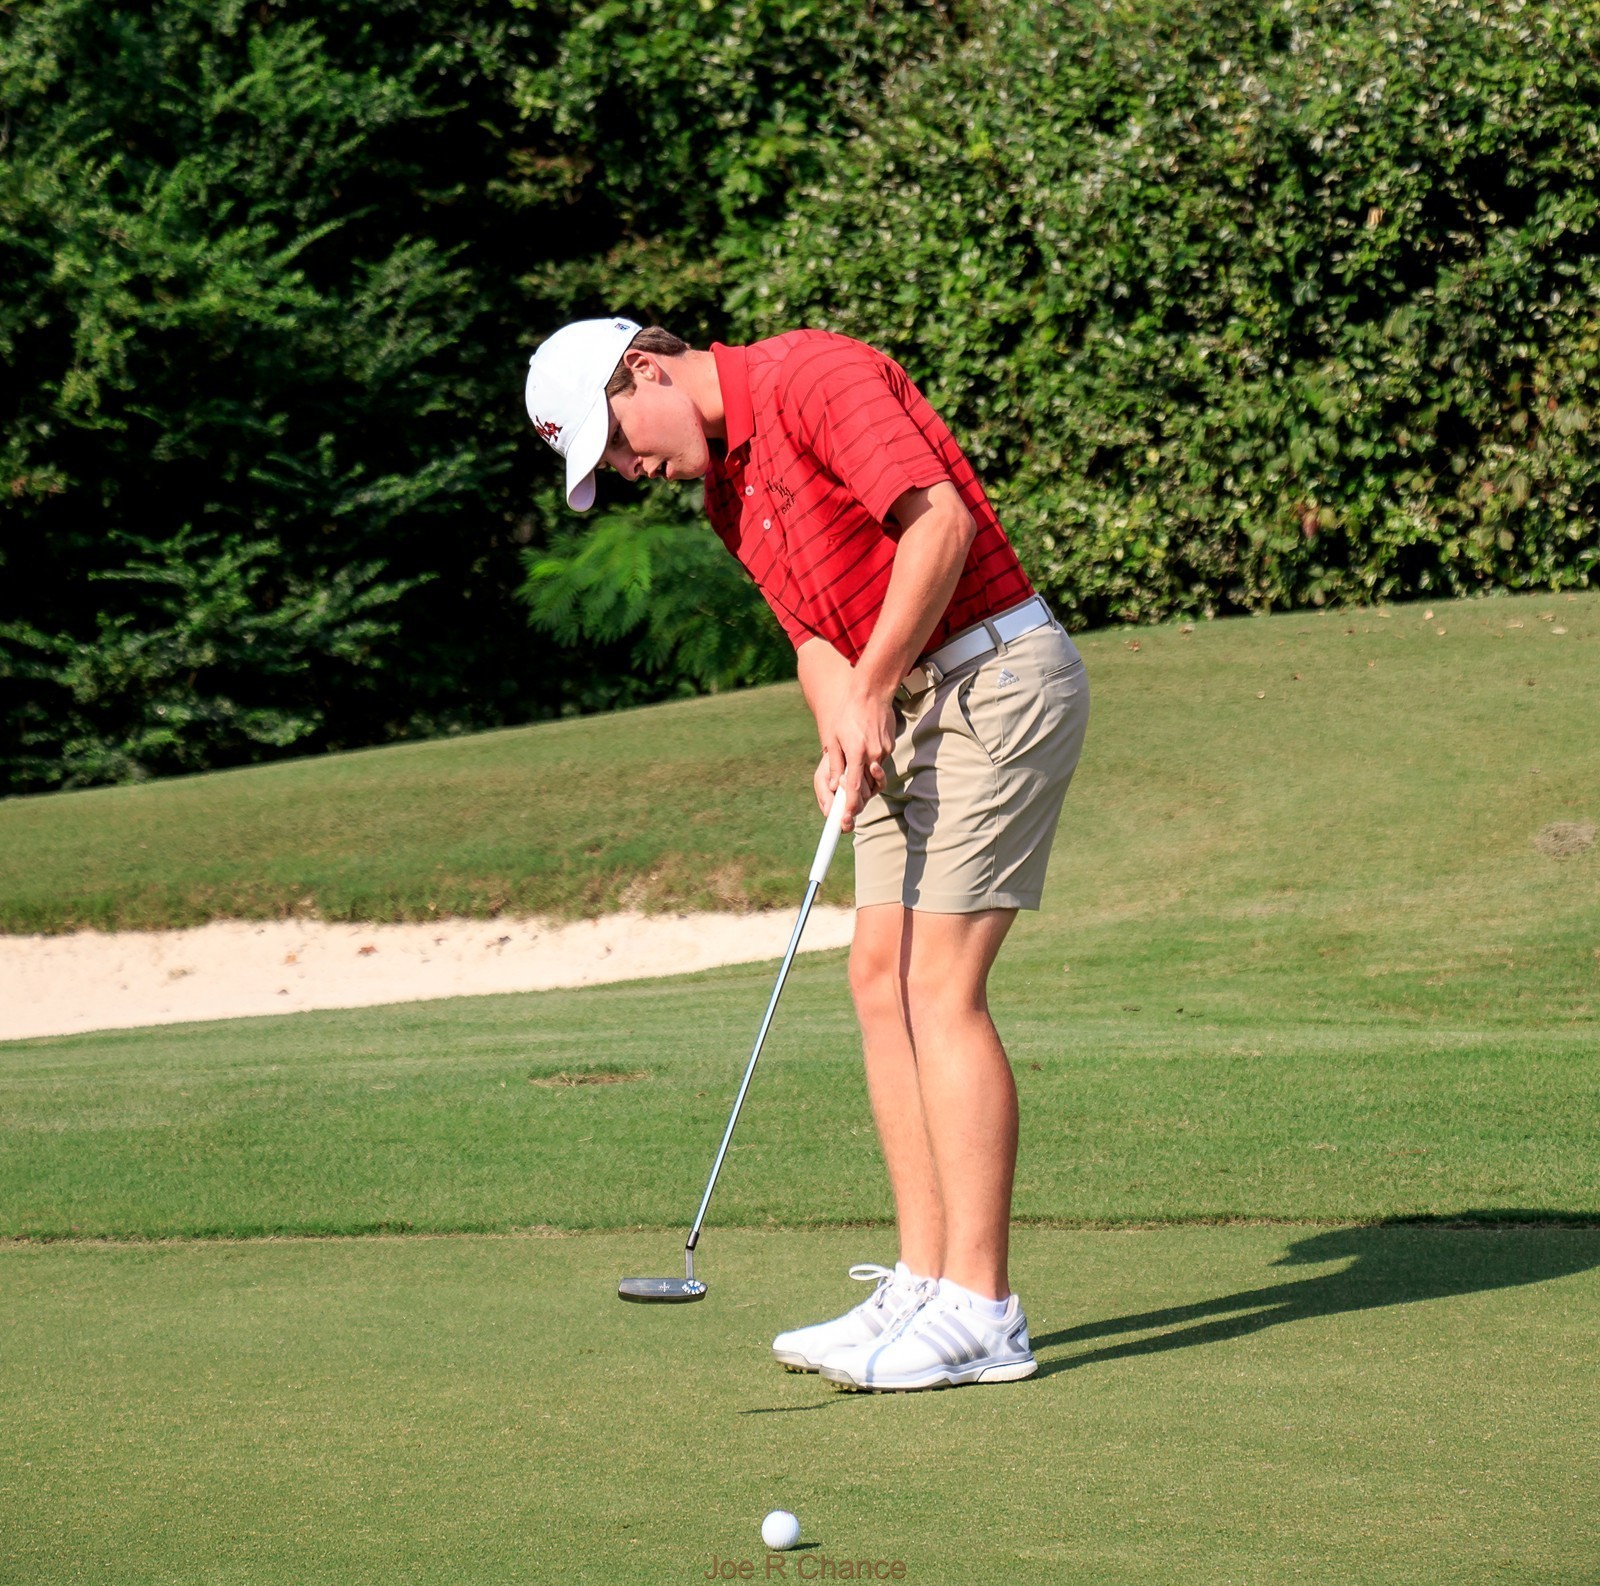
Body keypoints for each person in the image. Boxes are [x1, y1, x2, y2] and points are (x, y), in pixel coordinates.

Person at [525, 316, 1089, 1391]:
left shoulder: (811, 372)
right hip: (904, 705)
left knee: (938, 983)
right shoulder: (725, 494)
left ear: (642, 365)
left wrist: (872, 687)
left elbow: (938, 529)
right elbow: (815, 636)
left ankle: (983, 1306)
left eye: (619, 440)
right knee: (875, 978)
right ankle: (922, 1282)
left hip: (995, 678)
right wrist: (842, 723)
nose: (631, 468)